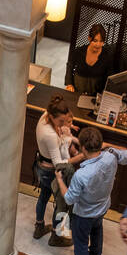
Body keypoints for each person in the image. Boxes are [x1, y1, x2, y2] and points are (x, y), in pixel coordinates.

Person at [56, 127, 127, 255]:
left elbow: (70, 199)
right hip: (103, 207)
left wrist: (59, 179)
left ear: (83, 148)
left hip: (84, 213)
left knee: (81, 241)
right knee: (97, 230)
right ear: (100, 144)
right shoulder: (110, 157)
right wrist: (108, 146)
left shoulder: (82, 174)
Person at [33, 95, 81, 243]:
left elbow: (62, 126)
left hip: (41, 165)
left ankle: (39, 227)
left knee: (43, 197)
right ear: (52, 117)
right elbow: (59, 163)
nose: (63, 124)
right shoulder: (49, 135)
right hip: (50, 171)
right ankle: (56, 236)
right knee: (61, 204)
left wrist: (68, 129)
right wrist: (81, 156)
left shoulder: (46, 114)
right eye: (60, 121)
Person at [66, 24, 114, 96]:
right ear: (89, 38)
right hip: (77, 92)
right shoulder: (79, 51)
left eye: (101, 41)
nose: (98, 44)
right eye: (95, 41)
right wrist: (69, 84)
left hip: (96, 95)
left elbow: (110, 77)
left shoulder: (107, 56)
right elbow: (70, 65)